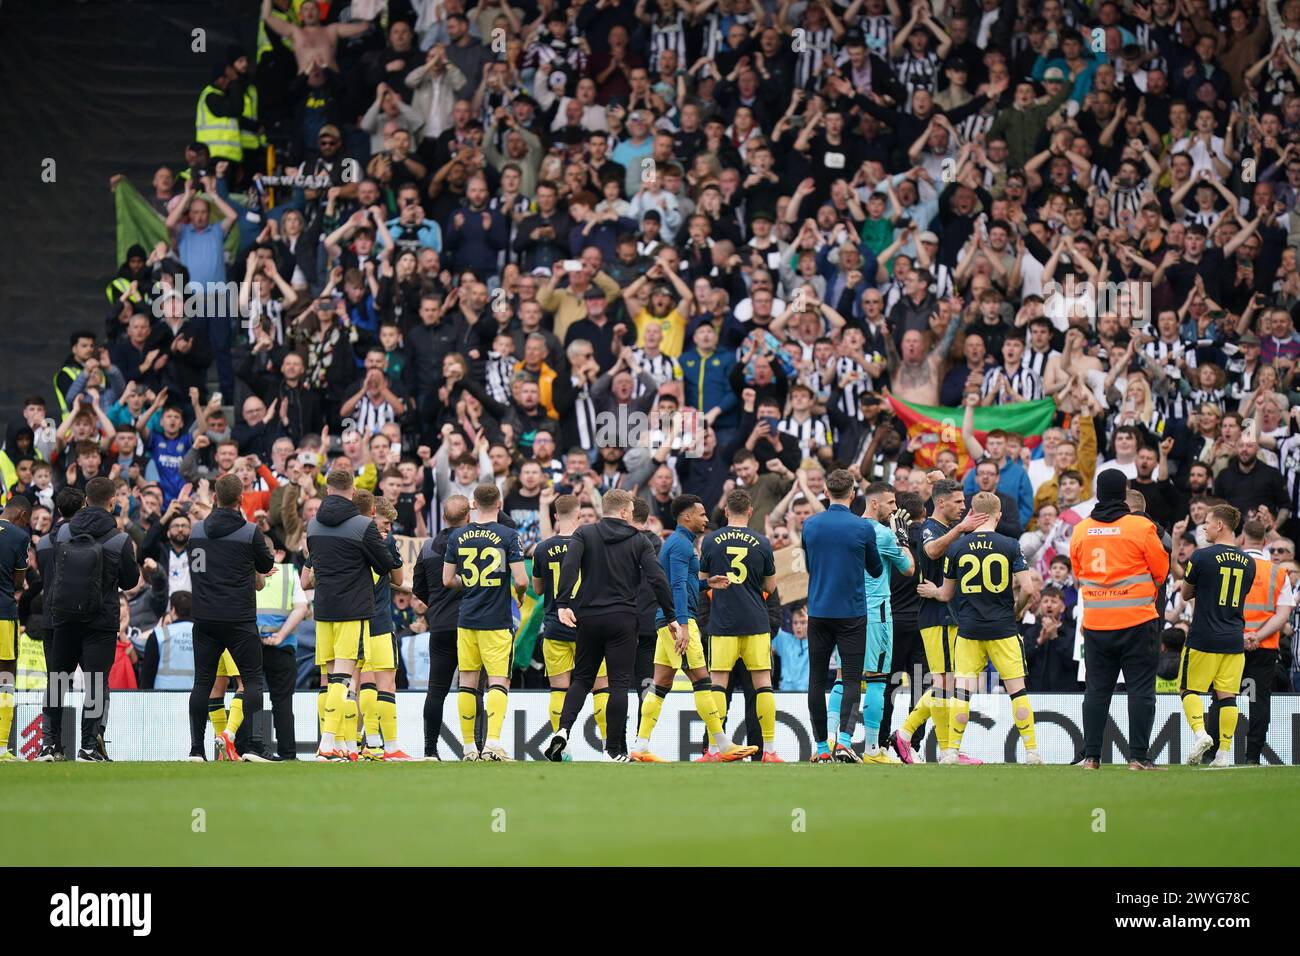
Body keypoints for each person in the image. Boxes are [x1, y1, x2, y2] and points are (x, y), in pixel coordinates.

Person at [546, 489, 675, 763]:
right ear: (626, 512)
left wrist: (562, 603)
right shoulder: (639, 540)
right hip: (623, 618)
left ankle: (563, 730)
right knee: (617, 684)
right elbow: (657, 579)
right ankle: (613, 750)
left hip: (588, 617)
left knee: (581, 679)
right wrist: (672, 616)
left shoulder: (584, 534)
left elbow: (569, 567)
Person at [629, 494, 757, 763]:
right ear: (686, 517)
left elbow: (684, 584)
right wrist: (683, 625)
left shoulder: (680, 544)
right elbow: (674, 585)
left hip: (668, 620)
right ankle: (722, 745)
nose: (707, 519)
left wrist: (708, 583)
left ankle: (640, 746)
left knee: (661, 684)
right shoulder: (680, 546)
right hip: (678, 622)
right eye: (701, 514)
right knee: (702, 680)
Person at [926, 491, 1044, 765]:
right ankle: (1031, 751)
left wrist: (932, 591)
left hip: (968, 629)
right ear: (998, 515)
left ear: (972, 513)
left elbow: (945, 594)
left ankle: (952, 751)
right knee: (1017, 690)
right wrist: (1016, 610)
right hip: (1003, 627)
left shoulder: (956, 548)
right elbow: (1028, 588)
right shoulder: (1010, 544)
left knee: (962, 692)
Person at [1069, 468, 1171, 770]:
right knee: (1141, 689)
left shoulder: (1081, 529)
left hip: (1097, 623)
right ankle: (1138, 757)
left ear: (1098, 492)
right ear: (1123, 492)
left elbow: (1078, 573)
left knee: (1097, 689)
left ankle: (1091, 757)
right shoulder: (1140, 527)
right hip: (1138, 621)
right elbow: (1161, 571)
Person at [36, 478, 139, 762]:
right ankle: (89, 746)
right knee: (95, 684)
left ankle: (49, 745)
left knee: (57, 681)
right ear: (112, 502)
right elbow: (130, 582)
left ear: (85, 501)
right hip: (101, 621)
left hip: (65, 618)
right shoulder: (120, 539)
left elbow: (52, 570)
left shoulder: (63, 532)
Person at [185, 473, 279, 762]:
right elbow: (266, 563)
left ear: (214, 497)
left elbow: (197, 567)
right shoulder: (249, 532)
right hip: (239, 618)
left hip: (204, 618)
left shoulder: (197, 531)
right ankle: (251, 746)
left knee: (202, 682)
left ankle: (197, 750)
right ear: (241, 499)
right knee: (252, 682)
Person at [308, 468, 400, 761]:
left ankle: (346, 745)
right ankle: (327, 742)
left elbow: (311, 573)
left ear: (326, 489)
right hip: (353, 610)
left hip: (323, 609)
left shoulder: (312, 525)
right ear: (353, 488)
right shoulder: (362, 526)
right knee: (343, 679)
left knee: (330, 676)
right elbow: (386, 565)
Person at [895, 478, 987, 764]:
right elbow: (932, 551)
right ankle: (911, 734)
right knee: (944, 683)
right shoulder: (929, 529)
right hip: (936, 616)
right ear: (941, 502)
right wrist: (961, 530)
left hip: (951, 615)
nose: (963, 506)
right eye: (958, 502)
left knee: (946, 685)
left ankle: (946, 749)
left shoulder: (948, 529)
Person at [800, 468, 884, 763]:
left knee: (816, 680)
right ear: (853, 494)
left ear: (825, 492)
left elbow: (810, 565)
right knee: (851, 678)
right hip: (851, 612)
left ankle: (822, 747)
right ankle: (844, 741)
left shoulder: (810, 525)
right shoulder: (863, 528)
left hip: (819, 610)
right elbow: (876, 569)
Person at [441, 482, 527, 762]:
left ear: (473, 505)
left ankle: (468, 748)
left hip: (467, 619)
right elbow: (522, 579)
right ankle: (492, 745)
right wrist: (521, 595)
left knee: (467, 681)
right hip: (497, 620)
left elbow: (446, 580)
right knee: (499, 682)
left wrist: (465, 582)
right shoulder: (508, 534)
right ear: (499, 505)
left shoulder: (458, 536)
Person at [1202, 521, 1294, 764]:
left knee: (1221, 698)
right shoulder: (1278, 573)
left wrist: (1241, 636)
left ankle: (1213, 753)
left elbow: (1215, 605)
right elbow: (1283, 615)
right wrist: (1257, 636)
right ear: (1265, 542)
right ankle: (1252, 756)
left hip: (1229, 643)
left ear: (1242, 539)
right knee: (1259, 700)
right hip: (1264, 647)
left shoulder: (1228, 567)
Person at [699, 489, 781, 762]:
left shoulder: (710, 541)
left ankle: (714, 749)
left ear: (725, 511)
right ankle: (769, 750)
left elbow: (703, 580)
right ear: (750, 510)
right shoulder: (762, 542)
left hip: (722, 622)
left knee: (718, 685)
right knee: (763, 686)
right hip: (756, 621)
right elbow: (770, 586)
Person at [1179, 504, 1255, 770]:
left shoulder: (1201, 557)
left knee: (1188, 689)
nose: (1204, 527)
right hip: (1234, 637)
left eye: (1208, 522)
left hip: (1203, 636)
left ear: (1220, 525)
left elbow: (1186, 595)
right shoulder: (1250, 562)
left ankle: (1201, 734)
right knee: (1228, 696)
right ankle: (1223, 754)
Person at [534, 493, 609, 755]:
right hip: (588, 625)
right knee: (601, 687)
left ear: (555, 516)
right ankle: (607, 746)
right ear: (579, 515)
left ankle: (561, 746)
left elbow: (538, 587)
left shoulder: (543, 548)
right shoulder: (592, 544)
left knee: (559, 688)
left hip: (555, 624)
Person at [412, 494, 484, 761]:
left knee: (436, 690)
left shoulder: (428, 546)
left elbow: (418, 586)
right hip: (473, 624)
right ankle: (475, 748)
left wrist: (436, 605)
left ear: (443, 517)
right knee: (473, 688)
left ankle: (430, 750)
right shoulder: (477, 544)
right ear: (469, 516)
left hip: (440, 626)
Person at [356, 494, 408, 761]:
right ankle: (388, 746)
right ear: (373, 514)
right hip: (378, 618)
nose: (388, 529)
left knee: (363, 683)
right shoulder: (385, 542)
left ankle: (365, 743)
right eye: (385, 522)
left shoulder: (348, 537)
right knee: (385, 683)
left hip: (353, 620)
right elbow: (398, 577)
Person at [0, 495, 31, 762]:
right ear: (21, 514)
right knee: (5, 678)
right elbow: (19, 582)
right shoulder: (19, 536)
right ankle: (1, 747)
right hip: (3, 614)